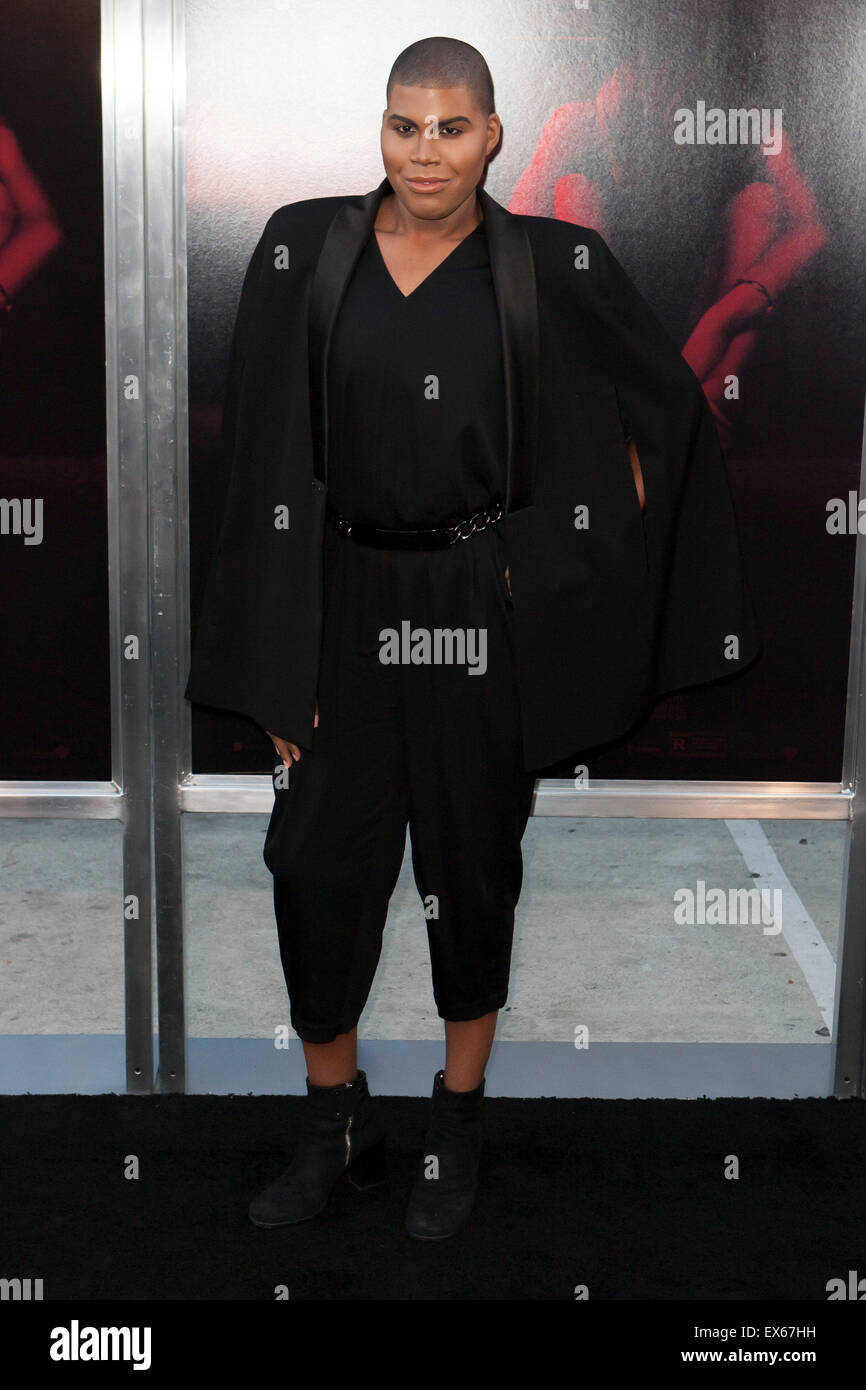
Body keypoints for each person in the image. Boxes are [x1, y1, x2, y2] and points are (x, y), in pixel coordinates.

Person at [185, 35, 761, 1241]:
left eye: (450, 128)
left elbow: (665, 415)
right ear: (379, 130)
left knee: (467, 870)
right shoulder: (305, 249)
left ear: (492, 135)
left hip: (473, 613)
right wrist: (275, 656)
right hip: (342, 597)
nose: (424, 151)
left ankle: (455, 1120)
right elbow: (258, 470)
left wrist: (566, 574)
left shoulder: (554, 263)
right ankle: (332, 1121)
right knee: (312, 868)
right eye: (404, 126)